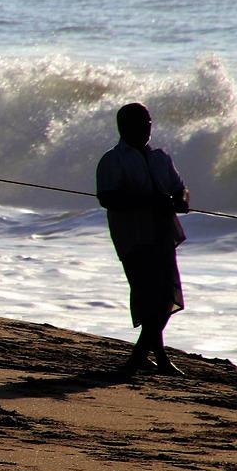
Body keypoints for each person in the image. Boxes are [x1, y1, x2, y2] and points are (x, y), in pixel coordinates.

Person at [96, 102, 190, 376]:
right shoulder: (112, 160)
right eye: (140, 122)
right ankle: (142, 357)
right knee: (151, 298)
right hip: (133, 236)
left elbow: (181, 189)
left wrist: (179, 201)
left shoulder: (161, 157)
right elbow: (107, 198)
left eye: (148, 122)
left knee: (162, 296)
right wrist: (148, 201)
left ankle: (155, 357)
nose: (146, 127)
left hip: (163, 234)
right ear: (123, 126)